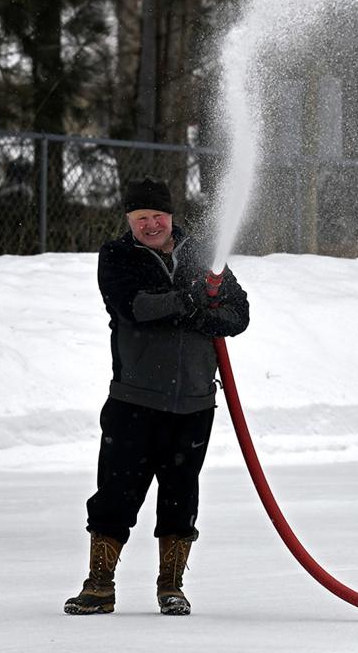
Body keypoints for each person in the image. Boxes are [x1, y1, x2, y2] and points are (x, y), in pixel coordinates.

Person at [64, 177, 250, 616]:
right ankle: (99, 585)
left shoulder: (203, 253)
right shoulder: (118, 257)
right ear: (129, 221)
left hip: (194, 405)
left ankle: (171, 586)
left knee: (180, 496)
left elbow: (238, 314)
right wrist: (189, 303)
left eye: (158, 216)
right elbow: (133, 307)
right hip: (135, 401)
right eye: (141, 218)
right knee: (116, 492)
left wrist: (201, 311)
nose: (151, 224)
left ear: (171, 216)